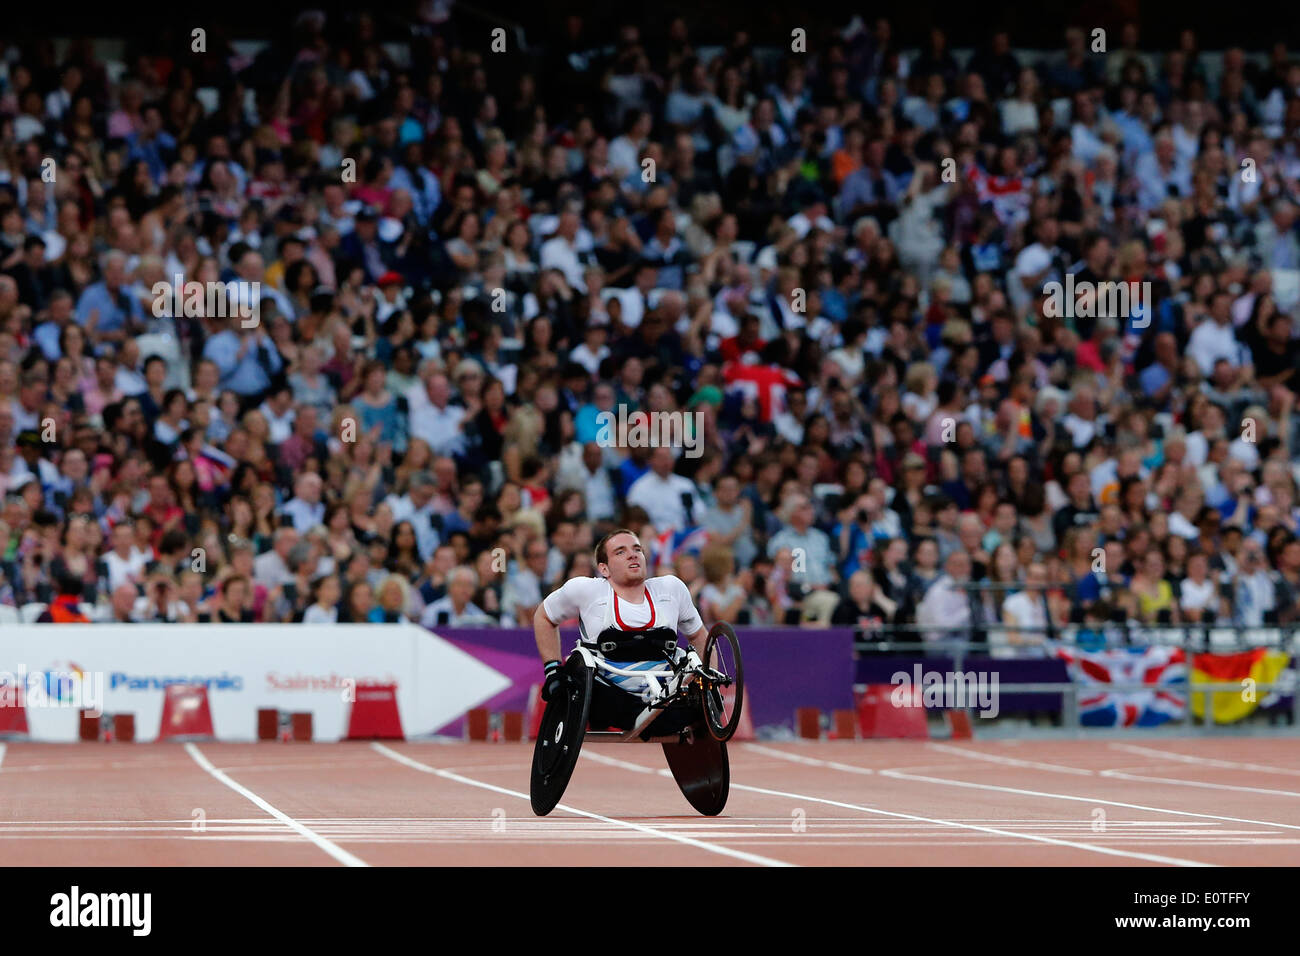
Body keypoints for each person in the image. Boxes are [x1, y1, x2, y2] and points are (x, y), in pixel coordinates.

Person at [533, 528, 708, 738]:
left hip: (667, 699)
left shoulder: (672, 588)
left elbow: (699, 637)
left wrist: (708, 685)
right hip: (608, 698)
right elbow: (543, 617)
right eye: (620, 552)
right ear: (604, 568)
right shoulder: (586, 590)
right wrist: (553, 670)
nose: (633, 554)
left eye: (637, 549)